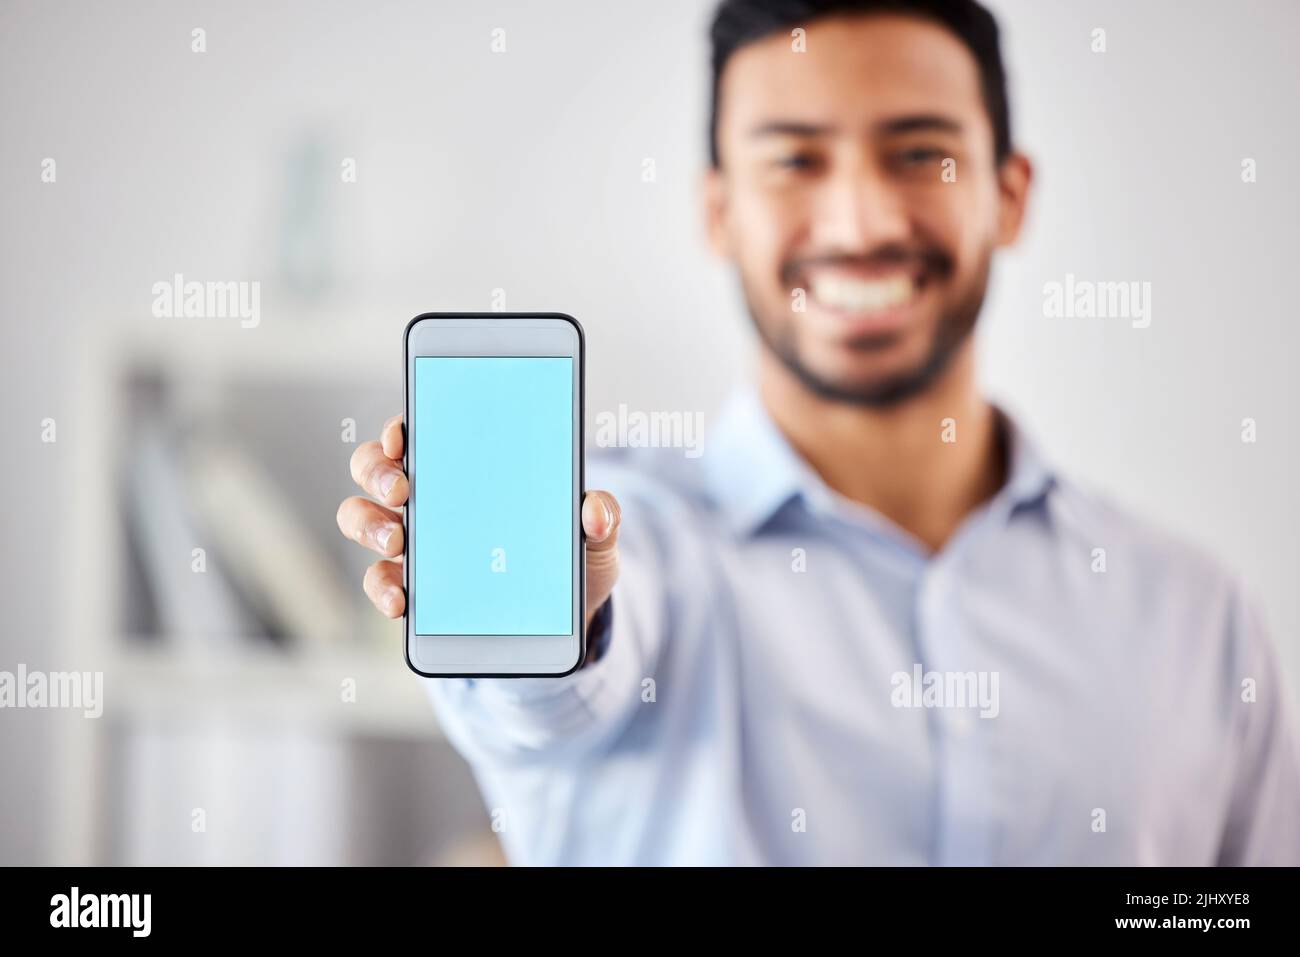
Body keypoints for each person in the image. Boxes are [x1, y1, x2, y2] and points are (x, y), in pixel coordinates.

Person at [335, 0, 1300, 865]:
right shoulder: (641, 551)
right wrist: (556, 617)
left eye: (921, 153)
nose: (861, 217)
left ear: (1009, 193)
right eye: (794, 159)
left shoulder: (1200, 619)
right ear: (719, 212)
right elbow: (549, 705)